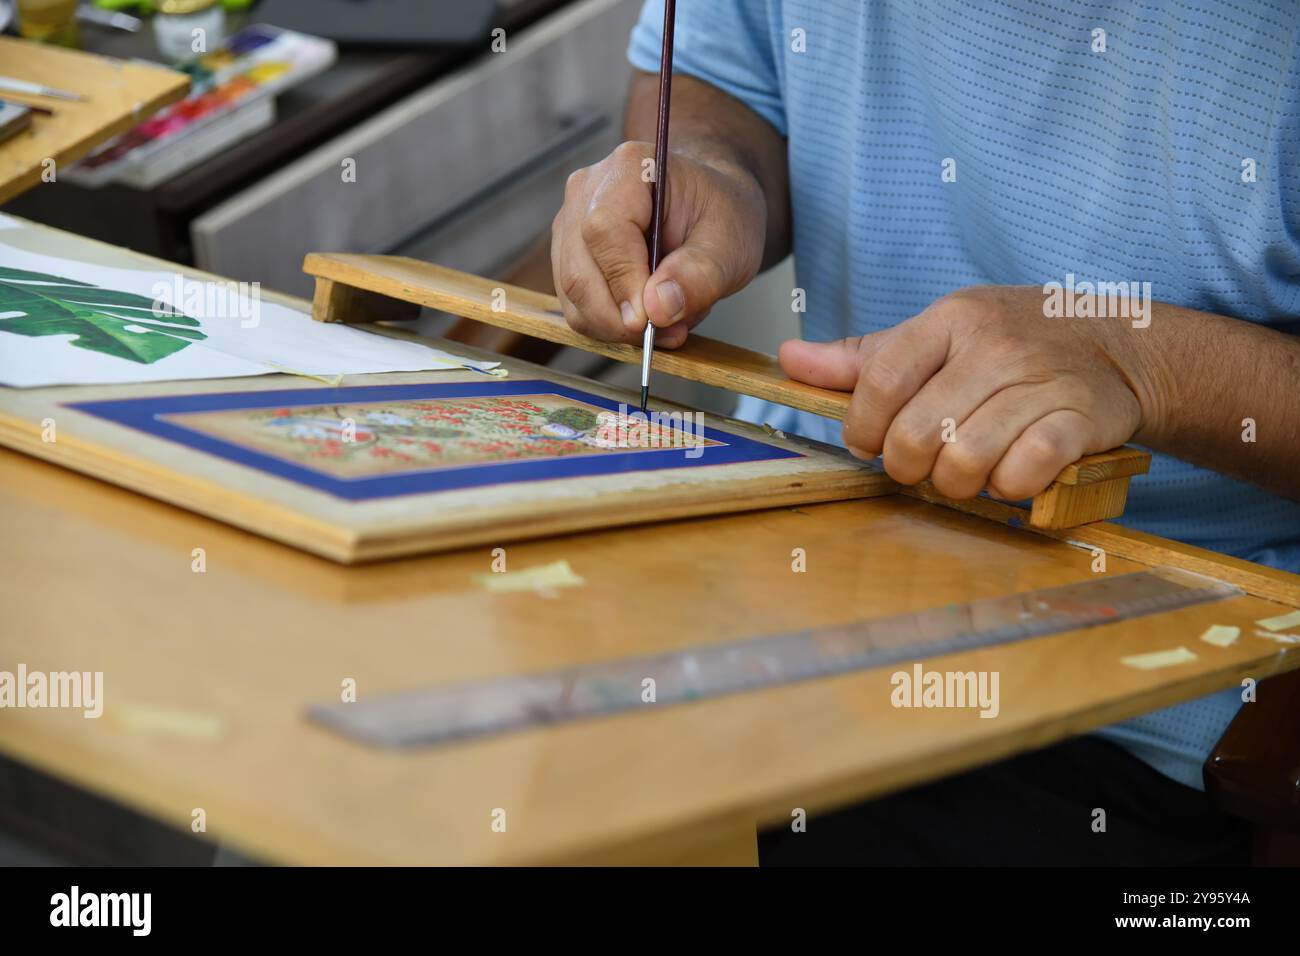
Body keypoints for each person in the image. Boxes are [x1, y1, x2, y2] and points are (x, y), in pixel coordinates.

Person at [550, 1, 1300, 864]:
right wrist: (705, 168)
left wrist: (1149, 363)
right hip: (771, 560)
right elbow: (720, 75)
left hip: (1141, 690)